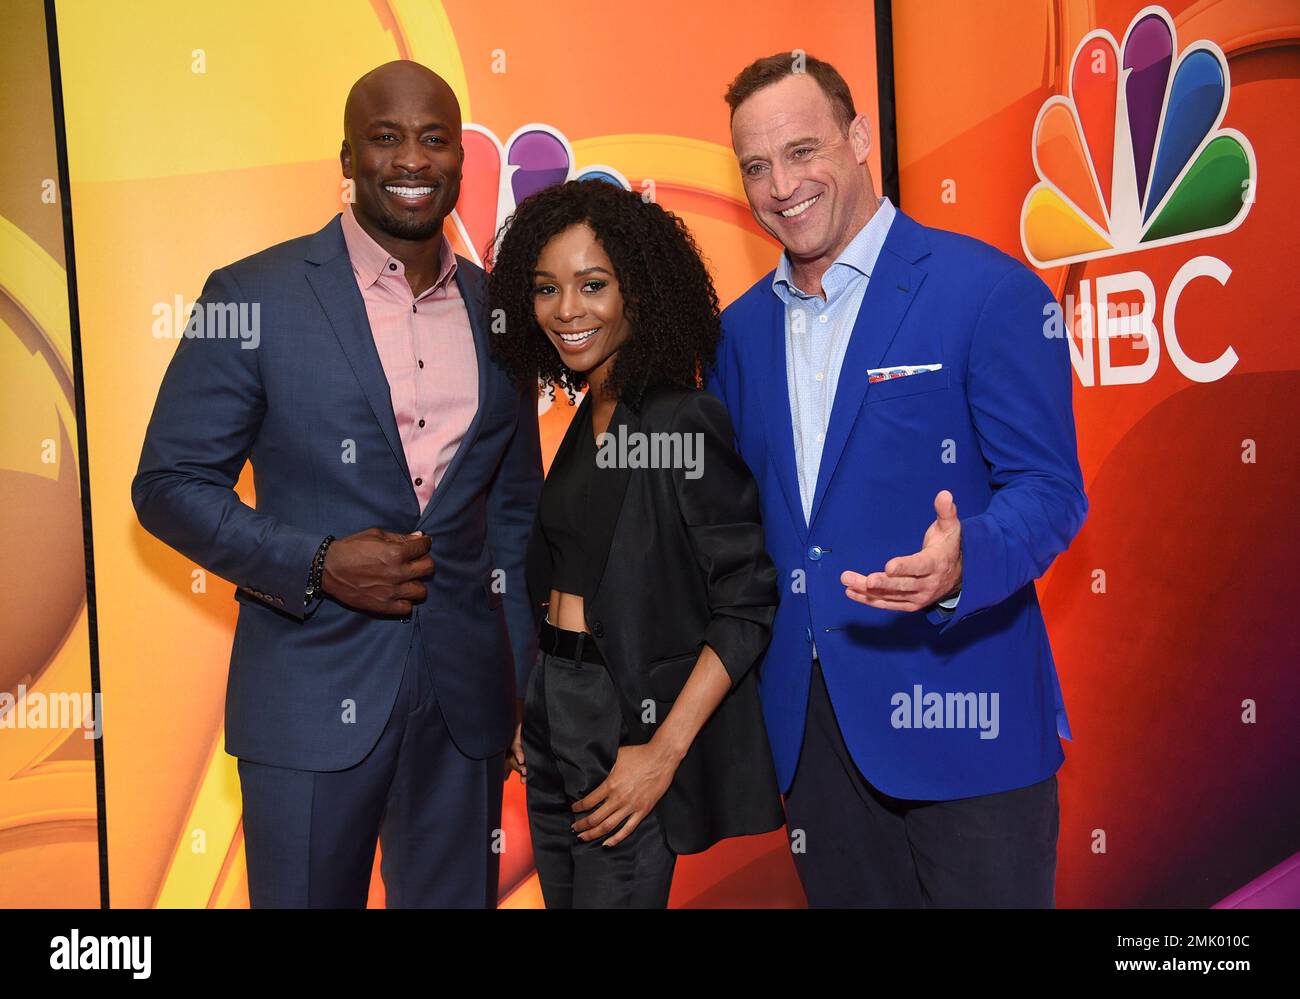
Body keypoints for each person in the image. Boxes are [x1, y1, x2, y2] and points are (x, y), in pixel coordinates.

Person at [131, 61, 542, 907]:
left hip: (466, 707)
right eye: (385, 138)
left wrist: (526, 691)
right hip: (308, 695)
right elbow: (168, 482)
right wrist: (318, 561)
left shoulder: (498, 310)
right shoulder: (251, 295)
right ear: (347, 157)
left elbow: (512, 518)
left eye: (433, 139)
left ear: (460, 160)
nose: (411, 160)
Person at [709, 52, 1088, 907]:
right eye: (756, 166)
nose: (781, 185)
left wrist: (967, 560)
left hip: (969, 719)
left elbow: (1051, 491)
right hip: (813, 740)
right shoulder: (735, 335)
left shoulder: (986, 291)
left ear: (859, 137)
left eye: (802, 151)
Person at [487, 179, 784, 908]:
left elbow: (746, 604)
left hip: (626, 722)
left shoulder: (681, 419)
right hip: (556, 710)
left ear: (640, 293)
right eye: (547, 288)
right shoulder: (592, 410)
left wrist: (662, 753)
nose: (566, 310)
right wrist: (536, 703)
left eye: (593, 285)